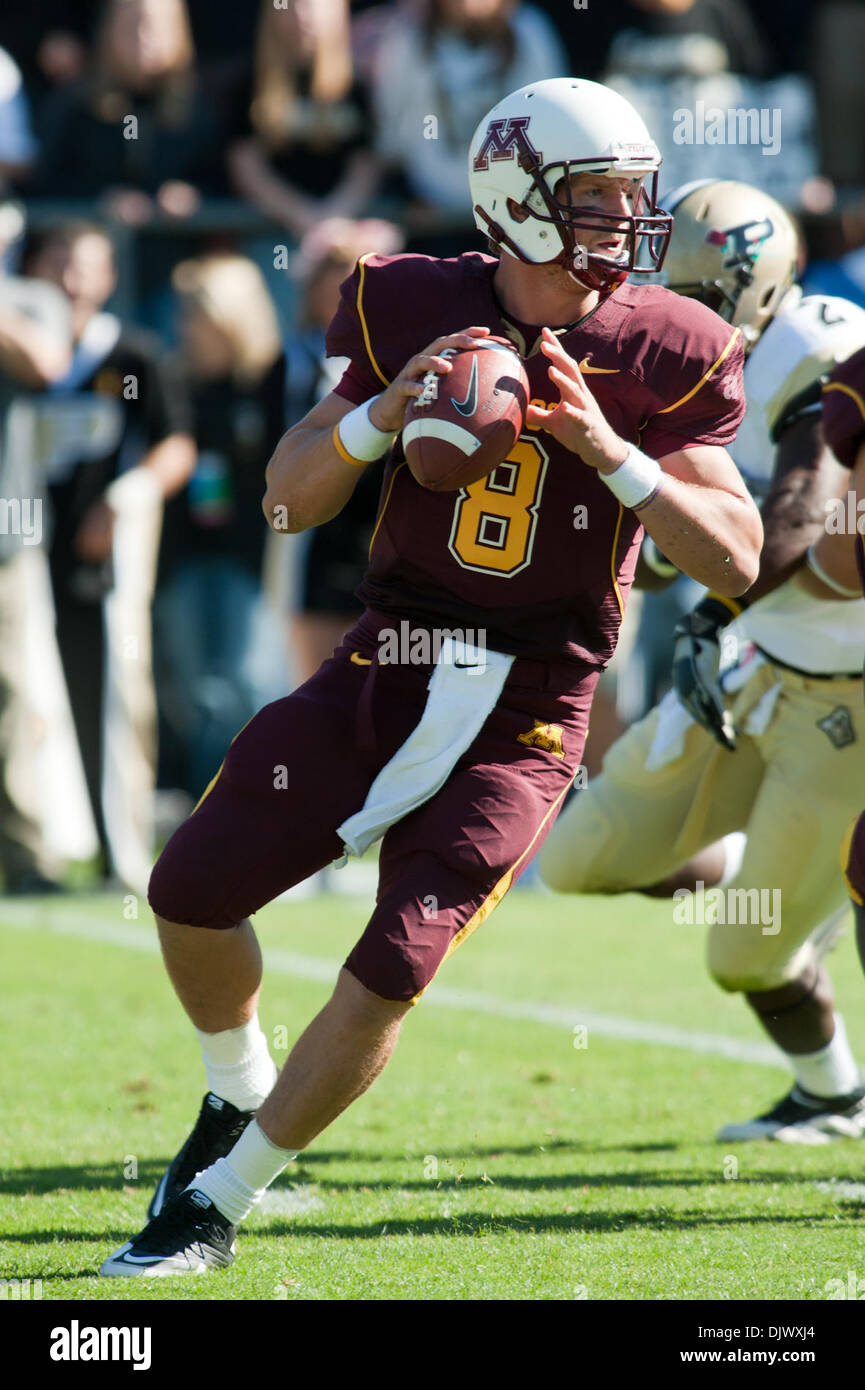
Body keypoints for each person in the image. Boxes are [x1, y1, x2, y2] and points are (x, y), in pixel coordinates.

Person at [98, 77, 761, 1276]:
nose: (627, 226)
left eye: (631, 200)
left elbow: (737, 551)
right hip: (388, 659)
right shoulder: (408, 303)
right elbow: (286, 499)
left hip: (532, 702)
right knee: (188, 889)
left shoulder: (667, 346)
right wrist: (378, 418)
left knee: (397, 955)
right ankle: (235, 1093)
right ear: (516, 201)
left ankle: (216, 1204)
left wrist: (604, 451)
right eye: (598, 202)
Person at [539, 179, 865, 1144]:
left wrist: (702, 603)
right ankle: (759, 863)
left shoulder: (820, 350)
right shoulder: (665, 351)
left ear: (753, 290)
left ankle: (832, 1092)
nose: (672, 310)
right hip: (757, 664)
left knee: (744, 957)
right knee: (577, 858)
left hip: (844, 697)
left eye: (695, 293)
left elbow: (800, 521)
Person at [25, 218, 195, 888]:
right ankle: (39, 849)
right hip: (24, 558)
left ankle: (118, 852)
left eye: (85, 265)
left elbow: (176, 444)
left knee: (115, 700)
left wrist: (125, 497)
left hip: (101, 562)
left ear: (110, 277)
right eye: (58, 263)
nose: (70, 280)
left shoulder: (135, 356)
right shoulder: (19, 356)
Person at [155, 252, 285, 800]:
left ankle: (259, 805)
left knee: (249, 685)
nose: (185, 327)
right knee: (195, 695)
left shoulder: (275, 383)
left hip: (253, 563)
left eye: (196, 313)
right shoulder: (172, 382)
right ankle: (212, 812)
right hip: (183, 562)